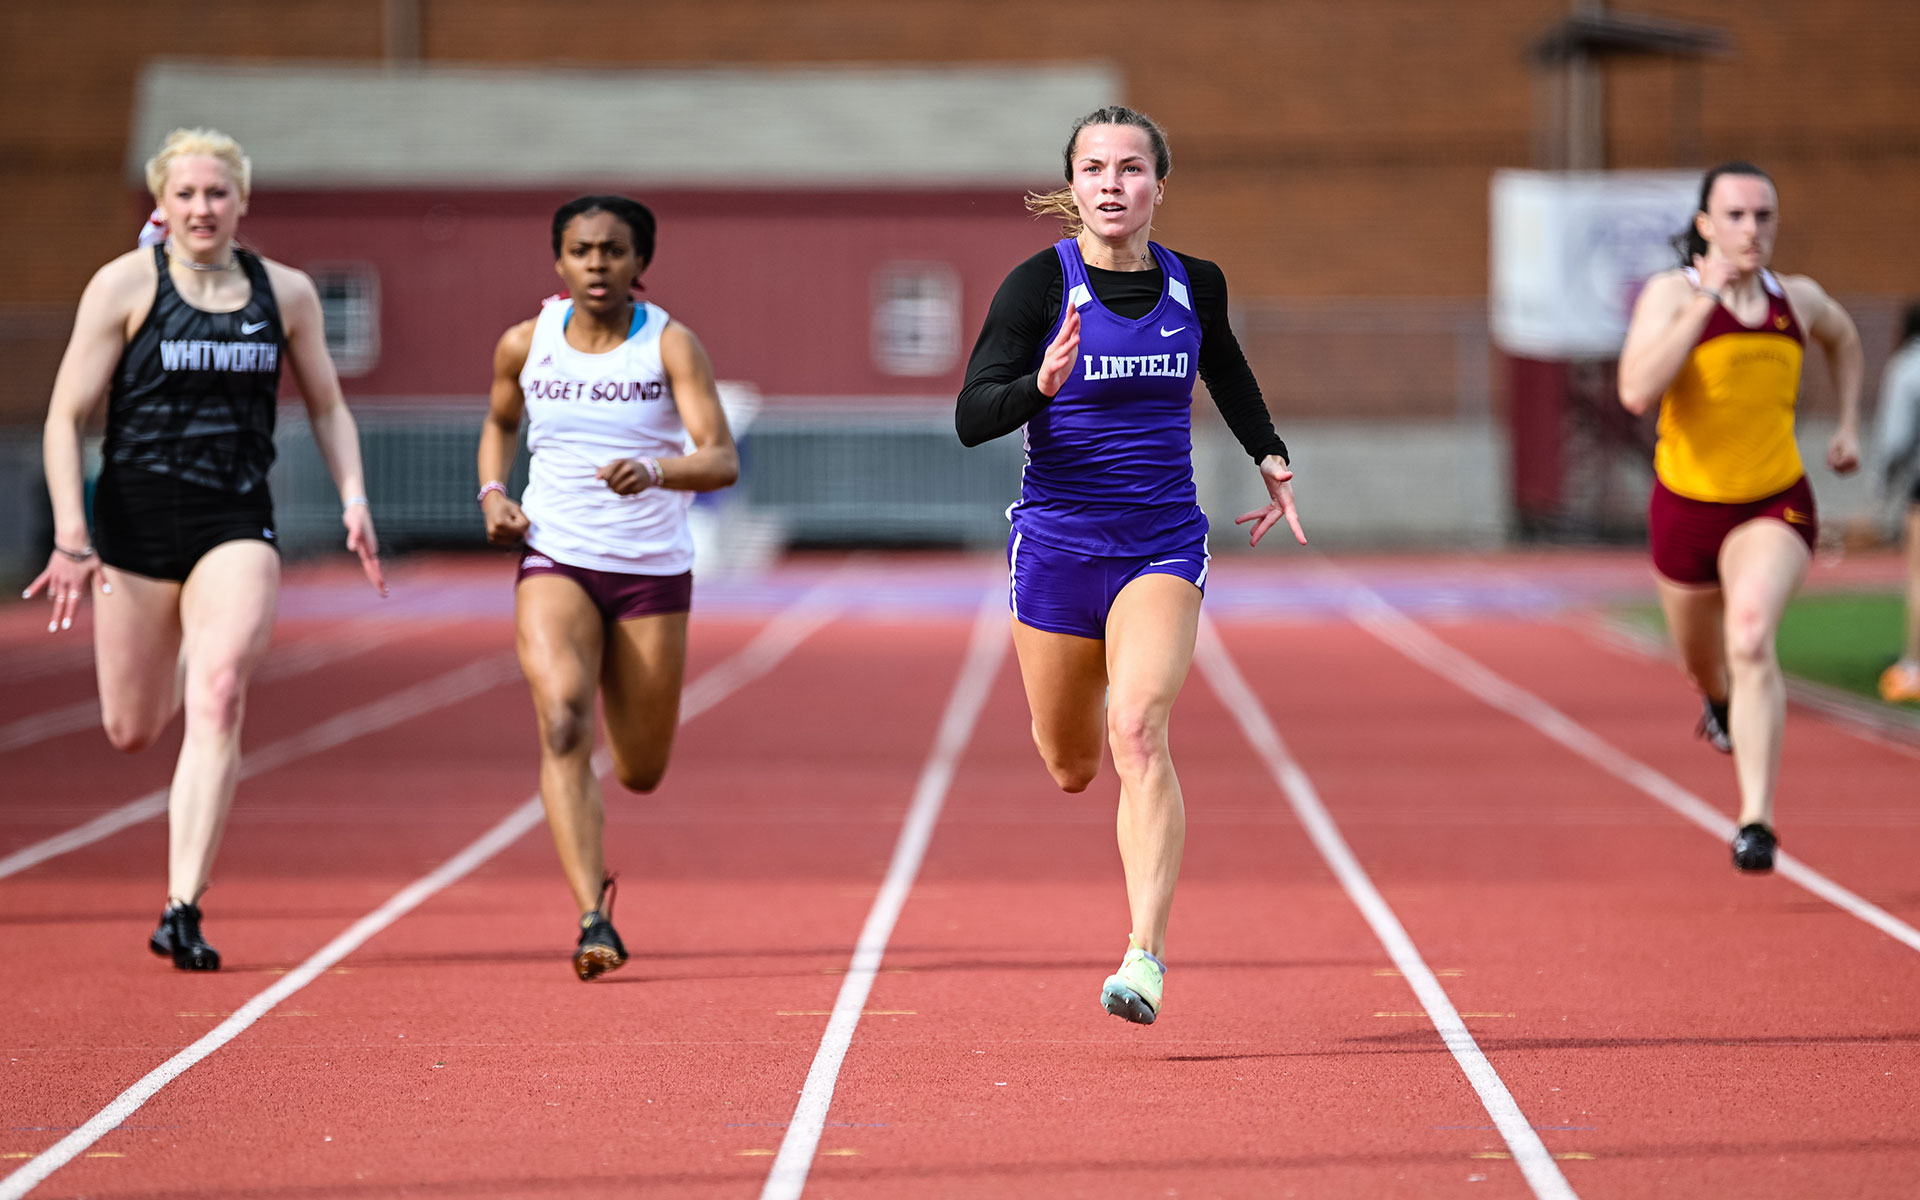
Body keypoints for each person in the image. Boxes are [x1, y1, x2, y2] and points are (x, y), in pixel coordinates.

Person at [956, 106, 1303, 1024]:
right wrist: (1040, 384)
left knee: (1139, 728)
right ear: (1072, 186)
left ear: (1159, 184)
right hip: (1059, 547)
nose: (1113, 183)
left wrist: (1270, 455)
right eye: (1095, 168)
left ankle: (1143, 954)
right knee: (1071, 764)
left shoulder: (1198, 284)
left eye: (1131, 168)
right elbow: (970, 414)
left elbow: (1224, 369)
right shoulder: (1039, 286)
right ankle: (1086, 773)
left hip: (1160, 541)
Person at [26, 127, 386, 969]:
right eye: (186, 194)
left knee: (220, 693)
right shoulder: (124, 285)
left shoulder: (284, 292)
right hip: (133, 526)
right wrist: (72, 537)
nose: (202, 208)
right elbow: (62, 416)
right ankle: (175, 660)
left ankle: (182, 905)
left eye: (217, 194)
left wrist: (355, 498)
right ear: (163, 202)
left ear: (242, 201)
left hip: (235, 520)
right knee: (131, 728)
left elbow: (328, 406)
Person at [477, 195, 738, 981]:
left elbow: (720, 457)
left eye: (614, 251)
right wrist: (493, 493)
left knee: (641, 769)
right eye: (583, 250)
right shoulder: (526, 343)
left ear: (638, 264)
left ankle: (605, 854)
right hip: (556, 552)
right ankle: (594, 912)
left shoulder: (670, 346)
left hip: (650, 567)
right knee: (561, 723)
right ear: (559, 261)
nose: (598, 264)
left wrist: (657, 471)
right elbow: (498, 424)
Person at [1618, 161, 1863, 873]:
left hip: (1774, 501)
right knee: (1704, 663)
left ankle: (1756, 819)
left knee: (1751, 636)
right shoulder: (1671, 295)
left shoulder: (1801, 298)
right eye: (1735, 216)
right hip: (1686, 507)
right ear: (1704, 225)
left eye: (1763, 216)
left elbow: (1845, 341)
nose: (1750, 230)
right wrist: (1702, 308)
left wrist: (1848, 424)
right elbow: (1635, 389)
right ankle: (1719, 702)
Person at [1871, 302, 1920, 703]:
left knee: (1919, 579)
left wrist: (1882, 486)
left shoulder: (1908, 366)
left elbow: (1896, 438)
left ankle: (1913, 667)